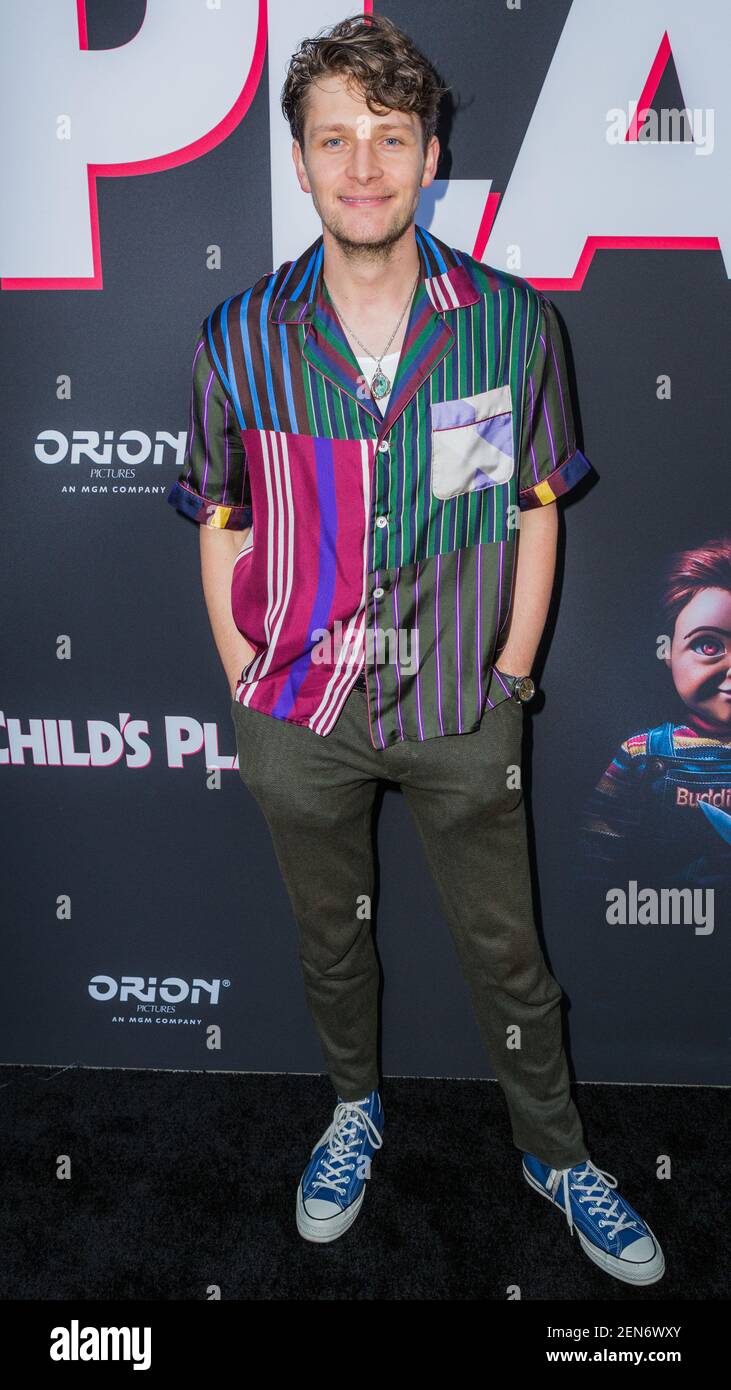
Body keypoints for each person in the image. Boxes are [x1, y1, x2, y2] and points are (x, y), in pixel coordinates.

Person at [167, 13, 664, 1285]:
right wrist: (245, 677)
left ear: (428, 153)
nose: (364, 166)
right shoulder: (237, 338)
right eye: (334, 139)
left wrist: (508, 675)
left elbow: (533, 508)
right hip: (298, 713)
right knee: (331, 937)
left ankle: (554, 1154)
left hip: (461, 709)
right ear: (299, 161)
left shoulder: (508, 322)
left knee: (508, 950)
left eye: (389, 138)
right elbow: (220, 520)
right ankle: (351, 1111)